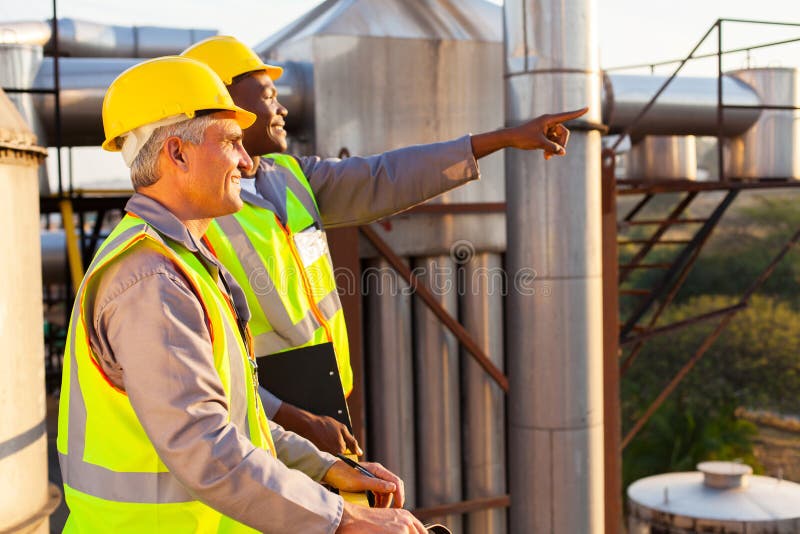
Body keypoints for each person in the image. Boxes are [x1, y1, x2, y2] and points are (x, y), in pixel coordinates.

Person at [56, 55, 427, 533]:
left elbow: (234, 416)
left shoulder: (183, 263)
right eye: (231, 142)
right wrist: (344, 519)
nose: (247, 160)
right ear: (178, 154)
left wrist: (323, 466)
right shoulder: (151, 282)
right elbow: (205, 447)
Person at [182, 36, 587, 455]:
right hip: (257, 420)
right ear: (226, 105)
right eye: (268, 96)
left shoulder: (288, 176)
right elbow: (201, 357)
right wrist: (285, 414)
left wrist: (502, 139)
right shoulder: (196, 212)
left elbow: (385, 175)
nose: (282, 109)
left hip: (322, 399)